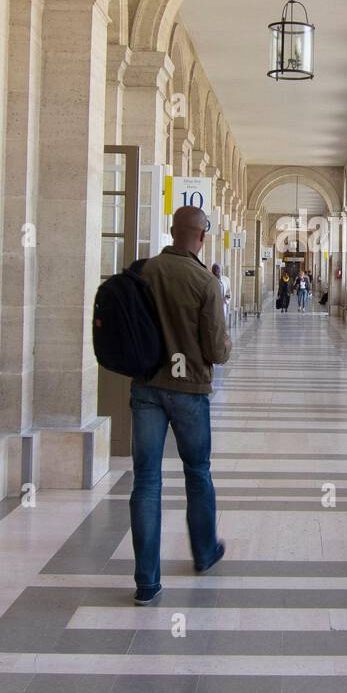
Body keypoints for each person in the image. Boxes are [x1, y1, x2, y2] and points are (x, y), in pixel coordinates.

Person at [128, 205, 230, 605]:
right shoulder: (205, 281)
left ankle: (146, 582)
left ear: (172, 232)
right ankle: (204, 553)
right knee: (197, 472)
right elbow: (216, 351)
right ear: (202, 236)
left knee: (146, 480)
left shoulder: (143, 272)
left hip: (147, 388)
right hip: (189, 390)